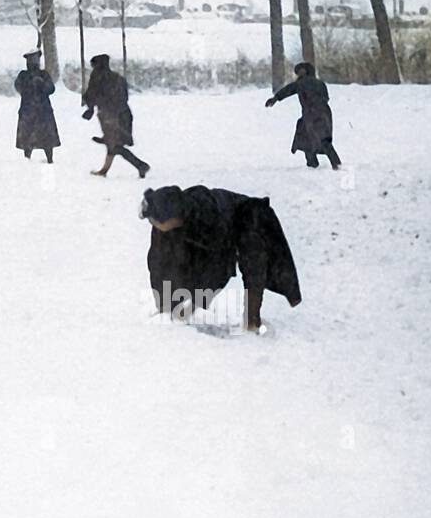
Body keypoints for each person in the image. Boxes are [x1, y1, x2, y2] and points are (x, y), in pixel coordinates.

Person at [140, 184, 302, 334]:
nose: (152, 224)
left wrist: (191, 306)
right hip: (208, 233)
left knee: (254, 265)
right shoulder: (164, 219)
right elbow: (158, 263)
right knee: (182, 262)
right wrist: (165, 306)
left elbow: (220, 268)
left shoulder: (207, 216)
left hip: (246, 217)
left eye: (154, 221)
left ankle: (252, 322)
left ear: (173, 218)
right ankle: (176, 310)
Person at [81, 53, 148, 178]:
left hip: (109, 116)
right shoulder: (118, 78)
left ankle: (140, 165)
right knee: (113, 143)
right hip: (124, 114)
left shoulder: (97, 77)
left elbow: (91, 94)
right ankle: (104, 170)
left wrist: (89, 107)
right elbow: (125, 97)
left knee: (114, 145)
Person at [265, 61, 340, 169]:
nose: (299, 74)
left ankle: (334, 165)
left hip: (311, 113)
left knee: (317, 139)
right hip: (324, 113)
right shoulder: (320, 83)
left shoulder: (301, 83)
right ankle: (316, 164)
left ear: (306, 72)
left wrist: (275, 98)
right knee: (308, 136)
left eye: (300, 71)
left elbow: (288, 90)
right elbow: (326, 97)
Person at [14, 49, 60, 163]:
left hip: (43, 111)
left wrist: (42, 84)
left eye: (35, 60)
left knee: (47, 137)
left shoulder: (44, 74)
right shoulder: (23, 75)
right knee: (27, 135)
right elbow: (19, 87)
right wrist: (29, 84)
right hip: (28, 110)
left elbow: (51, 89)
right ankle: (27, 158)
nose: (33, 62)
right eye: (31, 60)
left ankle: (50, 158)